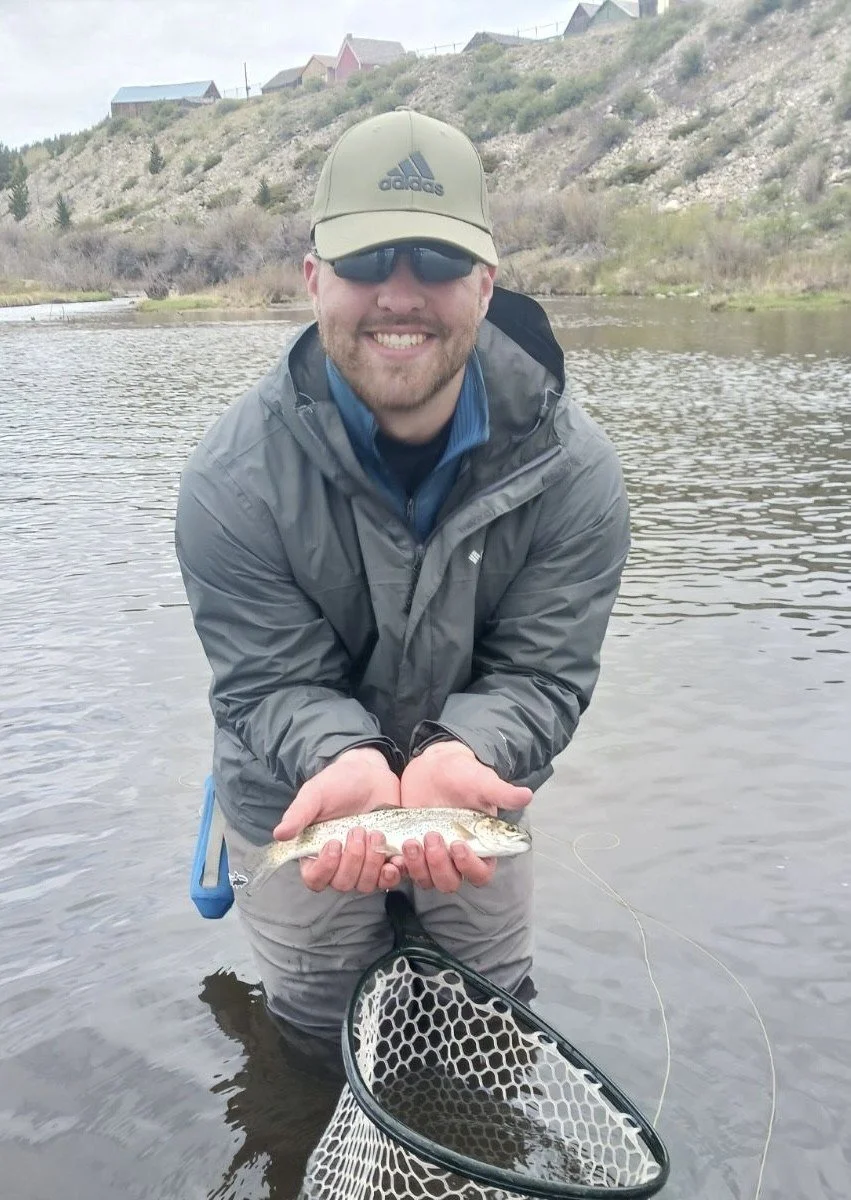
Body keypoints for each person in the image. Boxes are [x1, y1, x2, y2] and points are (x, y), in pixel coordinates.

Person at [175, 108, 630, 1039]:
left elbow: (543, 675)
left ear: (486, 282)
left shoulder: (578, 473)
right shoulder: (230, 482)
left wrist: (462, 756)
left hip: (470, 788)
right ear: (312, 279)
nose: (400, 293)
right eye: (366, 262)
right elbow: (269, 681)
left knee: (485, 1012)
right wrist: (341, 758)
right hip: (296, 797)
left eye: (435, 261)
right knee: (314, 1029)